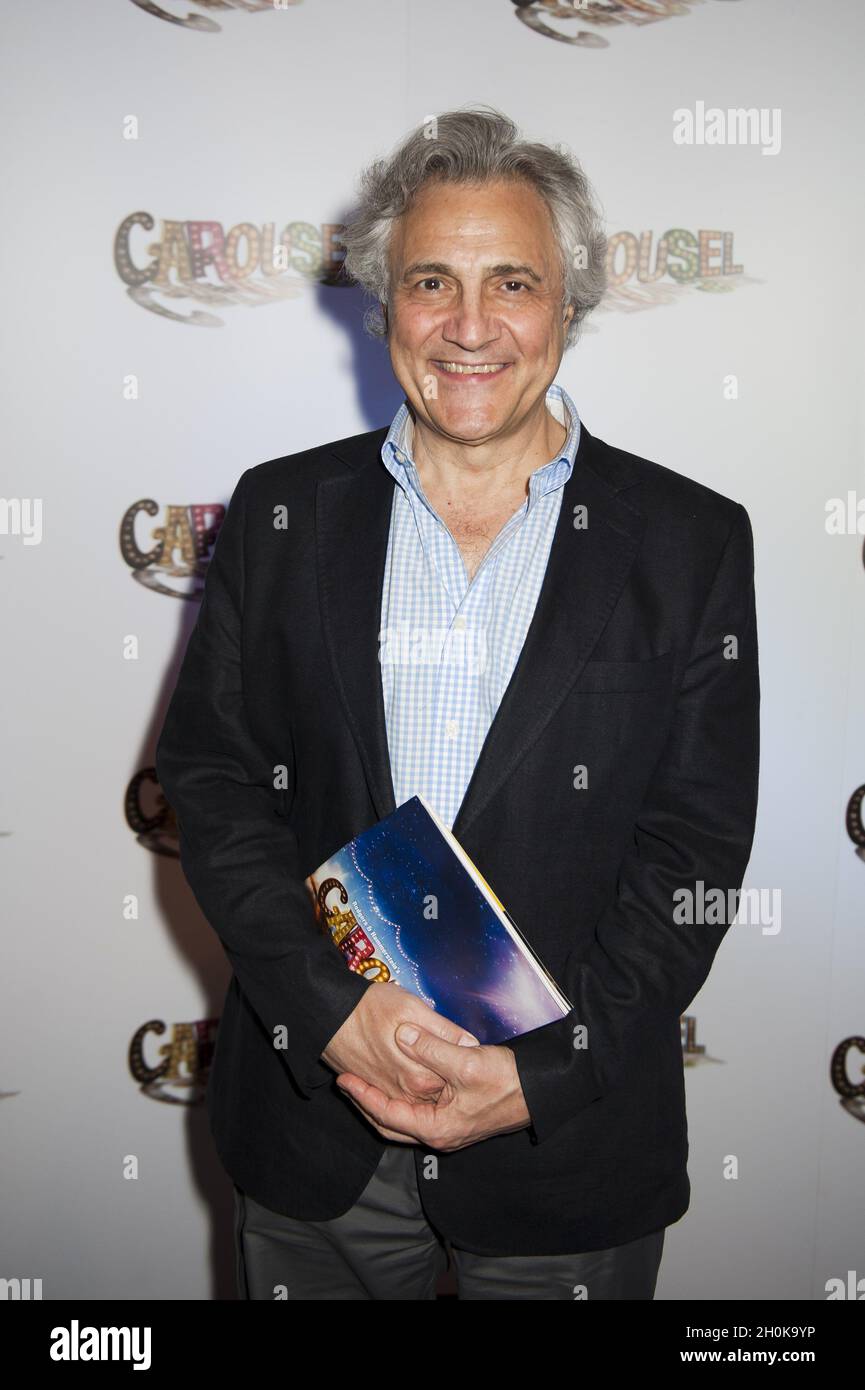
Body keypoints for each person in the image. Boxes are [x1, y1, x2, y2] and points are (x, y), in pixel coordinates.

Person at [155, 106, 759, 1300]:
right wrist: (332, 1014)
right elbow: (215, 788)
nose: (471, 327)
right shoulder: (281, 514)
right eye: (431, 280)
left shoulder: (690, 541)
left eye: (513, 282)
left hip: (567, 1152)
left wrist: (541, 1073)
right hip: (313, 1133)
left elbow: (693, 850)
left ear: (568, 306)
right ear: (382, 303)